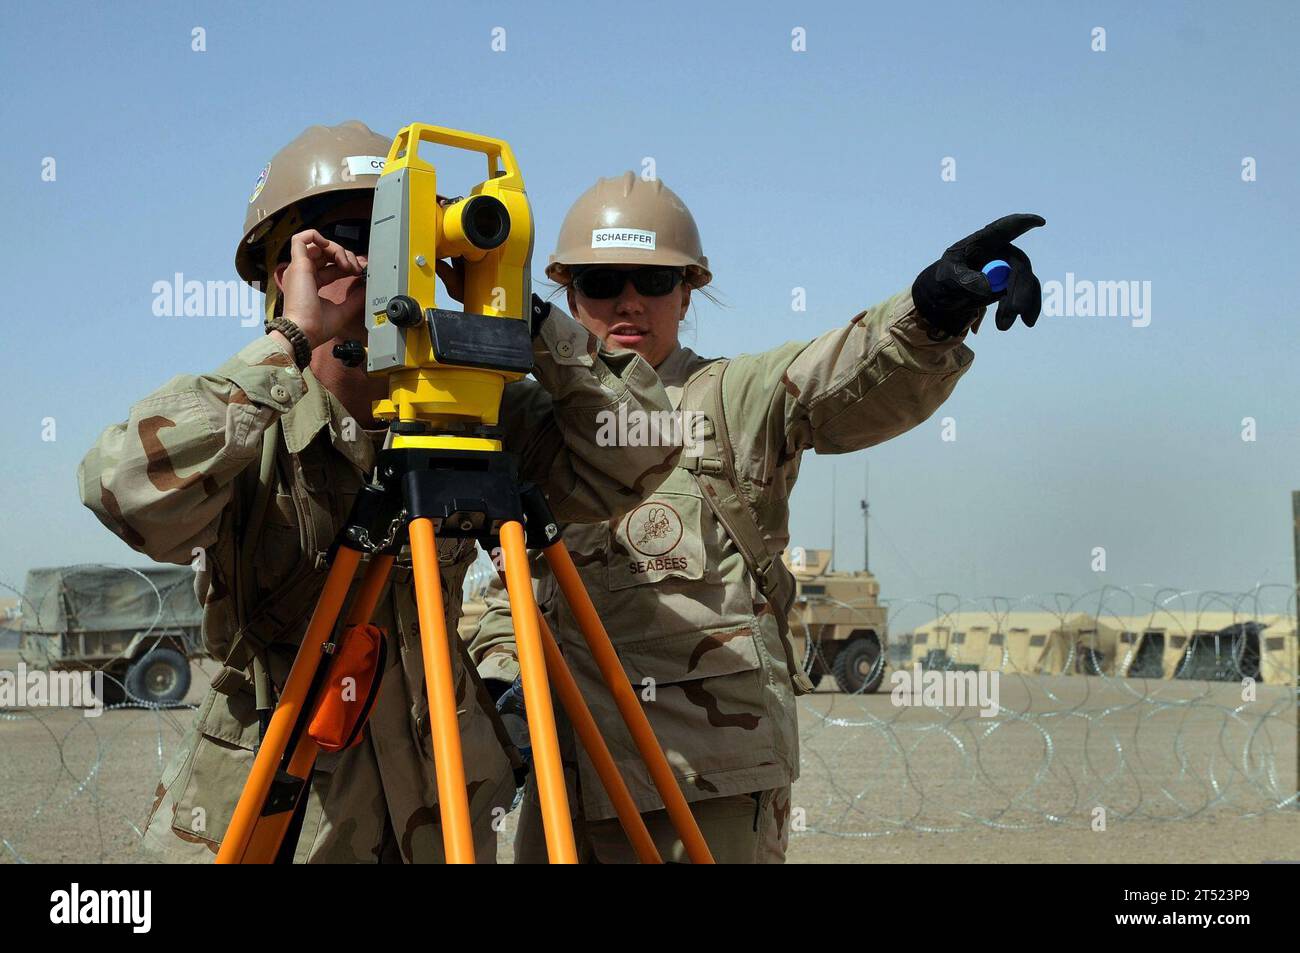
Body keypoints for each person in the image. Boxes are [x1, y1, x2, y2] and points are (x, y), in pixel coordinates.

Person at [77, 124, 681, 863]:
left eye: (395, 229)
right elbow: (122, 488)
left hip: (440, 812)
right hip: (288, 816)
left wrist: (519, 313)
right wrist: (291, 339)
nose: (377, 259)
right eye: (345, 235)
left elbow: (643, 450)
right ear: (281, 268)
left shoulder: (474, 419)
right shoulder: (251, 420)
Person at [469, 172, 1045, 863]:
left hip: (702, 782)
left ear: (687, 291)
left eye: (653, 282)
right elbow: (519, 583)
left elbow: (838, 373)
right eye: (601, 280)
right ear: (567, 293)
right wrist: (501, 681)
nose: (628, 300)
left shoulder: (732, 398)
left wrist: (928, 315)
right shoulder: (533, 419)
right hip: (565, 782)